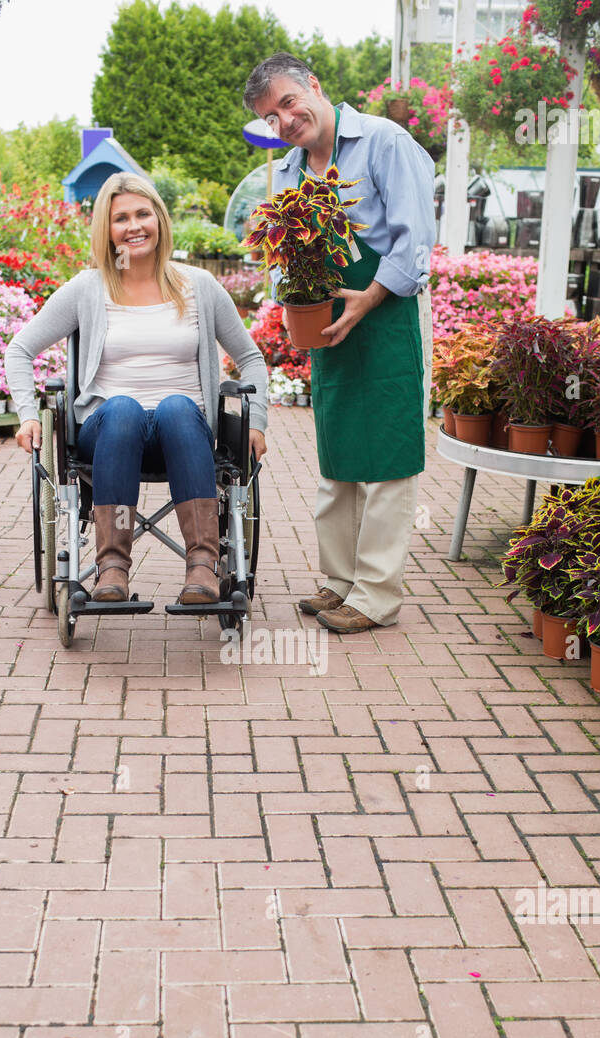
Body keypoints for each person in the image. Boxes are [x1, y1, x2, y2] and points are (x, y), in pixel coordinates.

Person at [5, 173, 268, 604]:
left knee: (178, 407)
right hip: (110, 432)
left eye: (143, 213)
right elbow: (20, 350)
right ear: (106, 230)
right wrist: (28, 415)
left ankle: (203, 564)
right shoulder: (87, 289)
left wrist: (255, 422)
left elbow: (251, 357)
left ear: (159, 219)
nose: (134, 226)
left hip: (183, 433)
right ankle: (112, 568)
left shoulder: (199, 286)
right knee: (123, 407)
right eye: (121, 218)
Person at [244, 53, 435, 633]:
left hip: (387, 314)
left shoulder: (383, 142)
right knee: (339, 454)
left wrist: (368, 297)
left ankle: (377, 594)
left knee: (388, 456)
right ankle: (340, 582)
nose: (283, 121)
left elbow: (416, 239)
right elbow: (282, 257)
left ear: (314, 88)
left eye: (287, 103)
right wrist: (290, 302)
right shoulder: (292, 172)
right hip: (329, 321)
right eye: (270, 117)